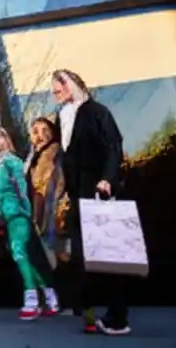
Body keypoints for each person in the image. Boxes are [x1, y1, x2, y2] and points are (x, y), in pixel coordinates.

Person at [53, 69, 130, 336]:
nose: (54, 91)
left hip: (98, 190)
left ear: (73, 84)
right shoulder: (61, 116)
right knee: (81, 255)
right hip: (77, 196)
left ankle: (117, 317)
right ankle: (86, 310)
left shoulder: (97, 111)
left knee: (107, 254)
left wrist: (108, 178)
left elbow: (113, 146)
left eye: (59, 85)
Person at [0, 127, 59, 320]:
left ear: (0, 139)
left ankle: (32, 298)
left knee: (19, 253)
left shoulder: (11, 163)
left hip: (17, 214)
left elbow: (21, 190)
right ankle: (49, 295)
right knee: (22, 255)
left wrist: (25, 213)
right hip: (4, 217)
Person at [26, 116, 68, 292]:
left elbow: (54, 184)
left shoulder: (53, 152)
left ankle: (69, 302)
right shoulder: (32, 155)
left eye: (45, 131)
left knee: (59, 256)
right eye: (35, 131)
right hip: (37, 212)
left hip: (51, 213)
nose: (40, 135)